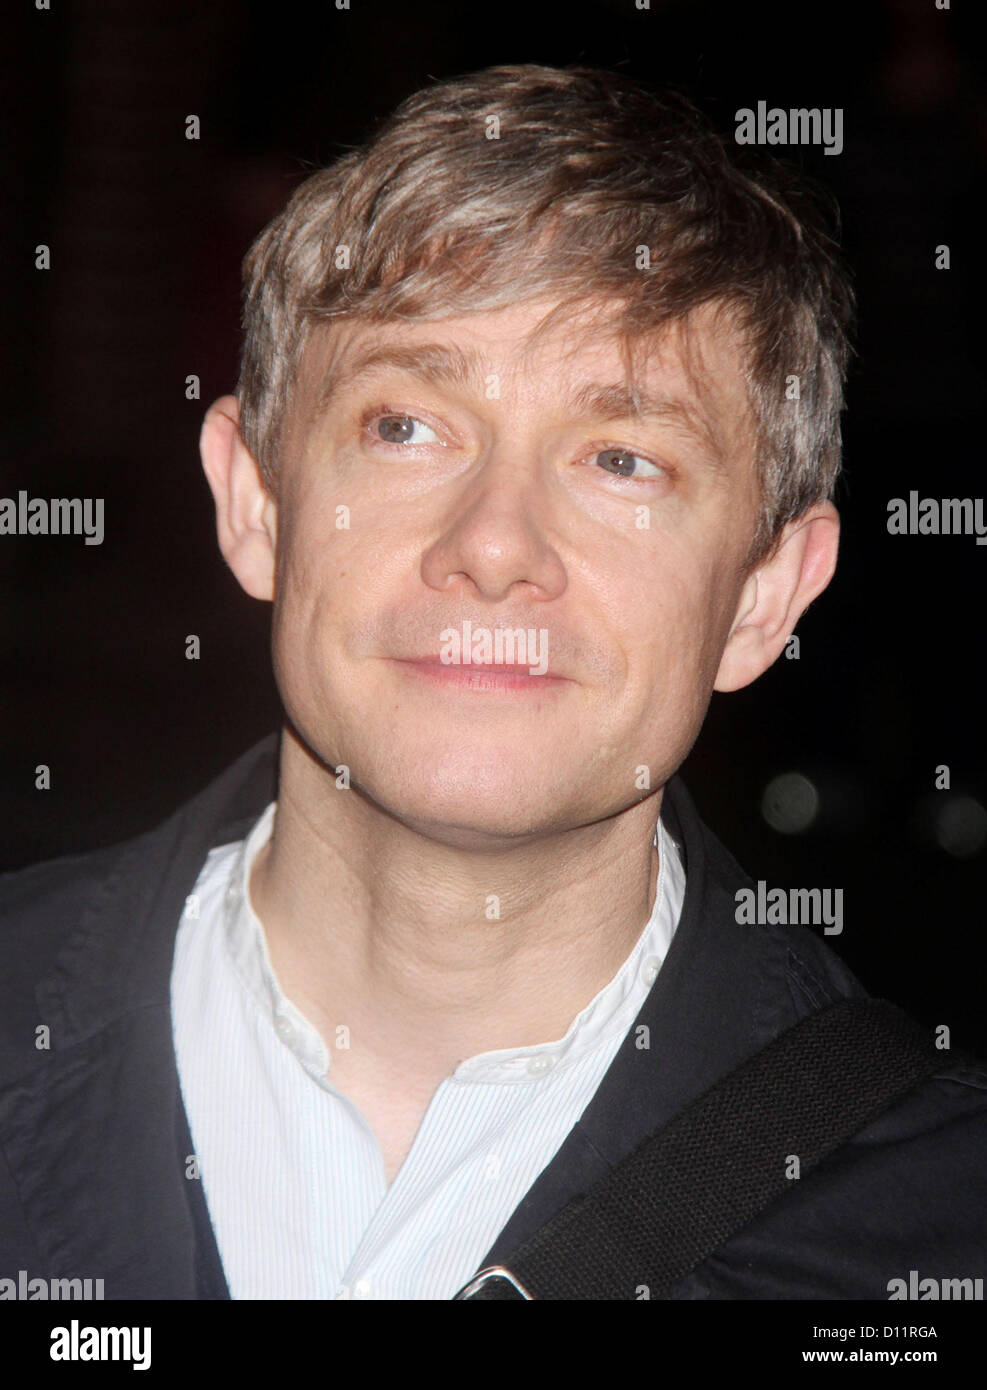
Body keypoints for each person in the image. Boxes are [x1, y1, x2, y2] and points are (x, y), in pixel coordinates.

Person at [1, 64, 984, 1302]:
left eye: (622, 458)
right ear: (254, 502)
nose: (496, 543)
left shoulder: (937, 1232)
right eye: (406, 426)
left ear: (763, 598)